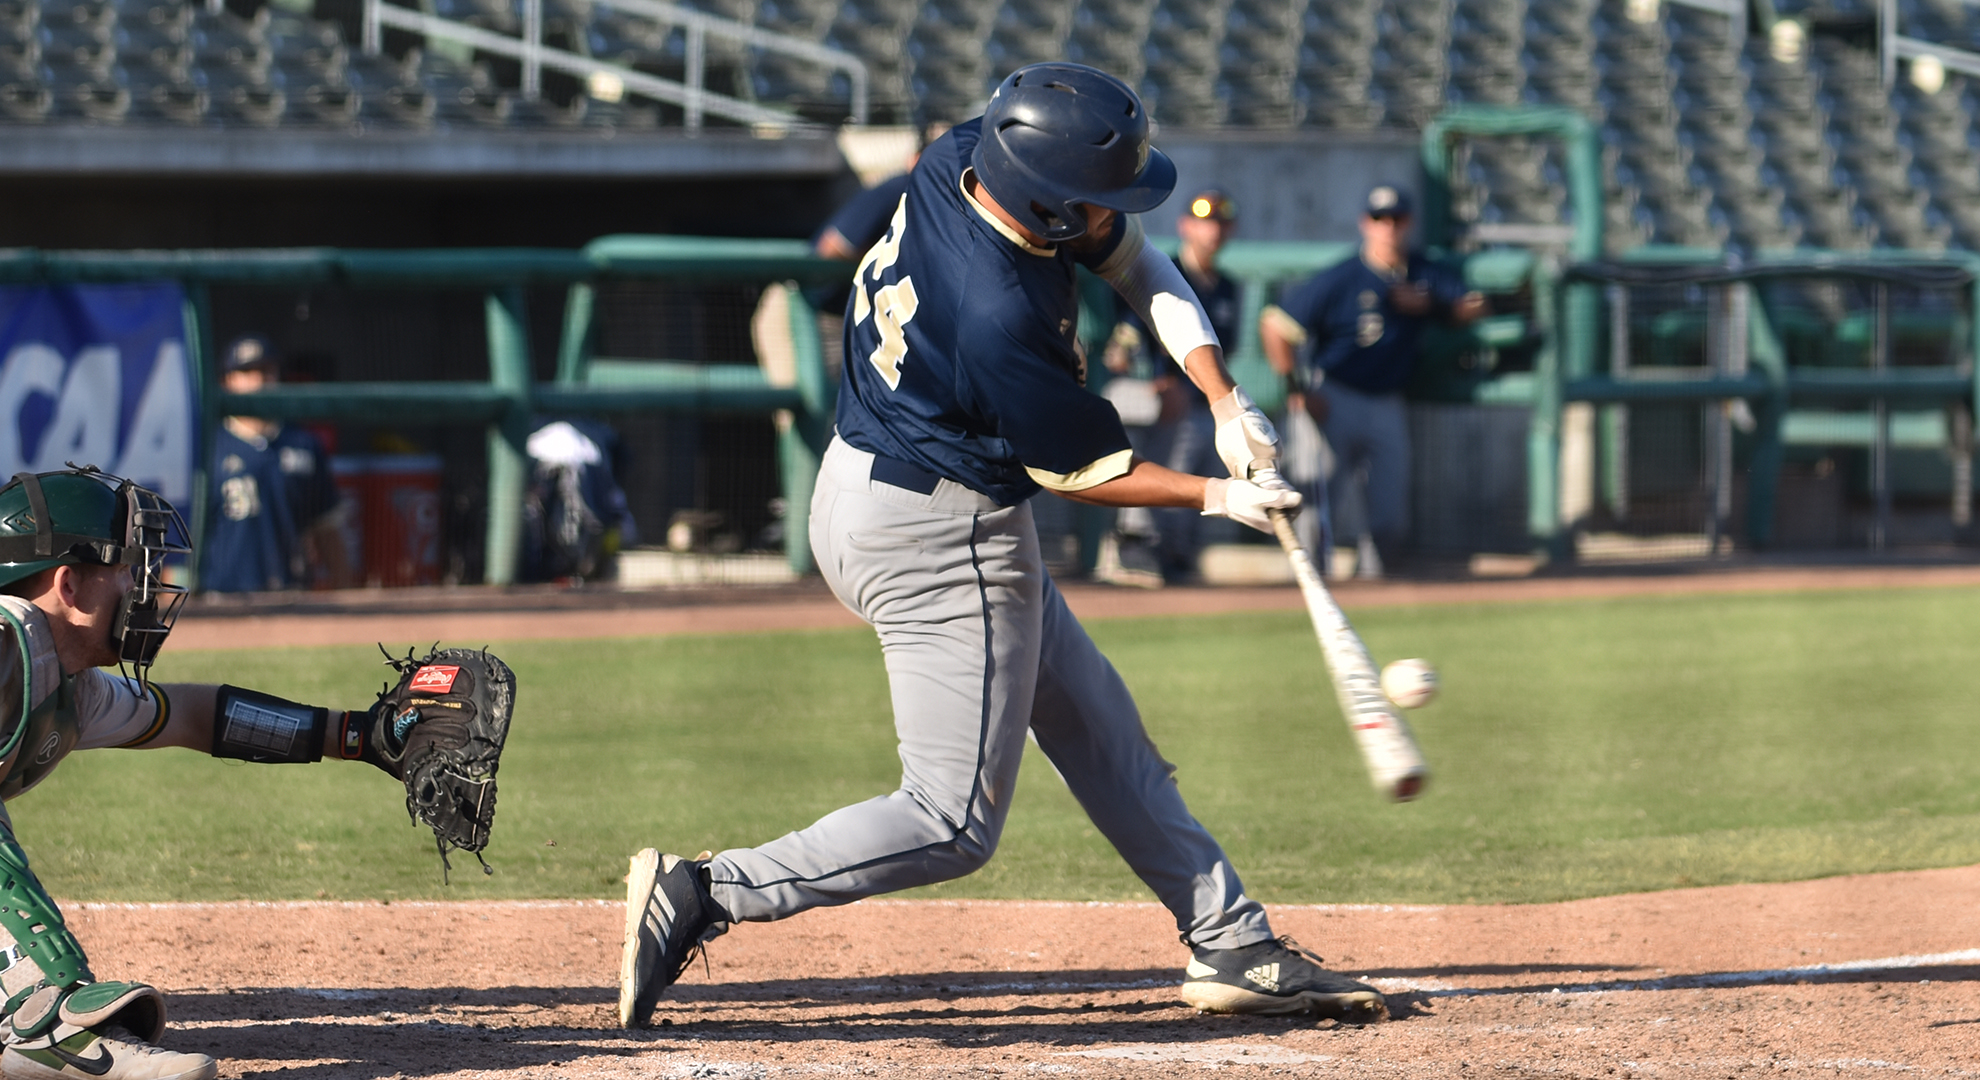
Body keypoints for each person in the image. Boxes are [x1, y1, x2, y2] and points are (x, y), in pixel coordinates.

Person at [620, 62, 1387, 1028]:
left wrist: (1222, 396)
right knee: (951, 820)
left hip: (868, 481)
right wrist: (1221, 494)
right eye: (1093, 200)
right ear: (1044, 198)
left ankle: (1229, 940)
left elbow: (1138, 262)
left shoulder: (959, 158)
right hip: (941, 536)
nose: (1111, 214)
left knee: (1100, 726)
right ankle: (705, 892)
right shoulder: (1000, 315)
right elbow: (1088, 474)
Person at [0, 466, 431, 1080]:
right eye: (124, 566)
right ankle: (48, 1021)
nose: (144, 584)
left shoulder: (64, 680)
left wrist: (359, 736)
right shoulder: (9, 639)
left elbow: (195, 717)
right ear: (68, 584)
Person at [1259, 185, 1487, 577]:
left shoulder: (1421, 272)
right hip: (1335, 395)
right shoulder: (1344, 276)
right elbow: (1275, 325)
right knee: (1317, 503)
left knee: (1389, 514)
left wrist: (1431, 305)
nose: (1389, 227)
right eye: (1381, 219)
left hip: (1387, 401)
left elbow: (1476, 304)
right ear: (1366, 223)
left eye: (1397, 219)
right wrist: (1297, 389)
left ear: (1409, 222)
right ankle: (1309, 588)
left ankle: (1377, 592)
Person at [1099, 189, 1243, 584]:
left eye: (1219, 223)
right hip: (1151, 400)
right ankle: (1132, 549)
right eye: (1204, 222)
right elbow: (1122, 348)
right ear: (1186, 225)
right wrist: (1157, 379)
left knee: (1197, 473)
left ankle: (1176, 560)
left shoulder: (1227, 287)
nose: (1212, 231)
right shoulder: (1162, 269)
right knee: (1163, 471)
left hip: (1197, 403)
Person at [199, 336, 347, 592]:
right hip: (219, 598)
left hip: (291, 593)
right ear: (227, 381)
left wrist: (344, 587)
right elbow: (181, 538)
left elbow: (326, 529)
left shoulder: (303, 444)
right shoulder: (207, 447)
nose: (258, 381)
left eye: (266, 371)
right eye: (246, 372)